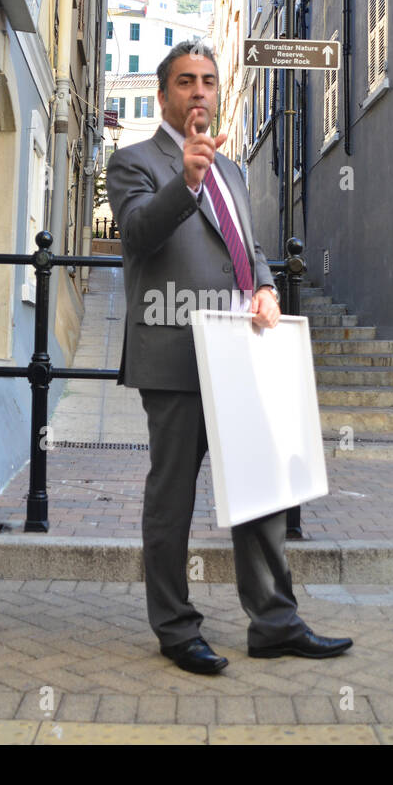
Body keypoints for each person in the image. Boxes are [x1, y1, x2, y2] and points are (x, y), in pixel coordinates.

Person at [105, 40, 352, 674]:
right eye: (185, 82)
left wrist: (265, 285)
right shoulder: (135, 161)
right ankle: (176, 628)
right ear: (163, 95)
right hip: (175, 353)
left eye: (209, 82)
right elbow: (135, 235)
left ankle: (274, 621)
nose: (199, 93)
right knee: (173, 498)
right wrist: (185, 180)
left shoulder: (234, 170)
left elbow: (250, 244)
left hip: (241, 354)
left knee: (262, 490)